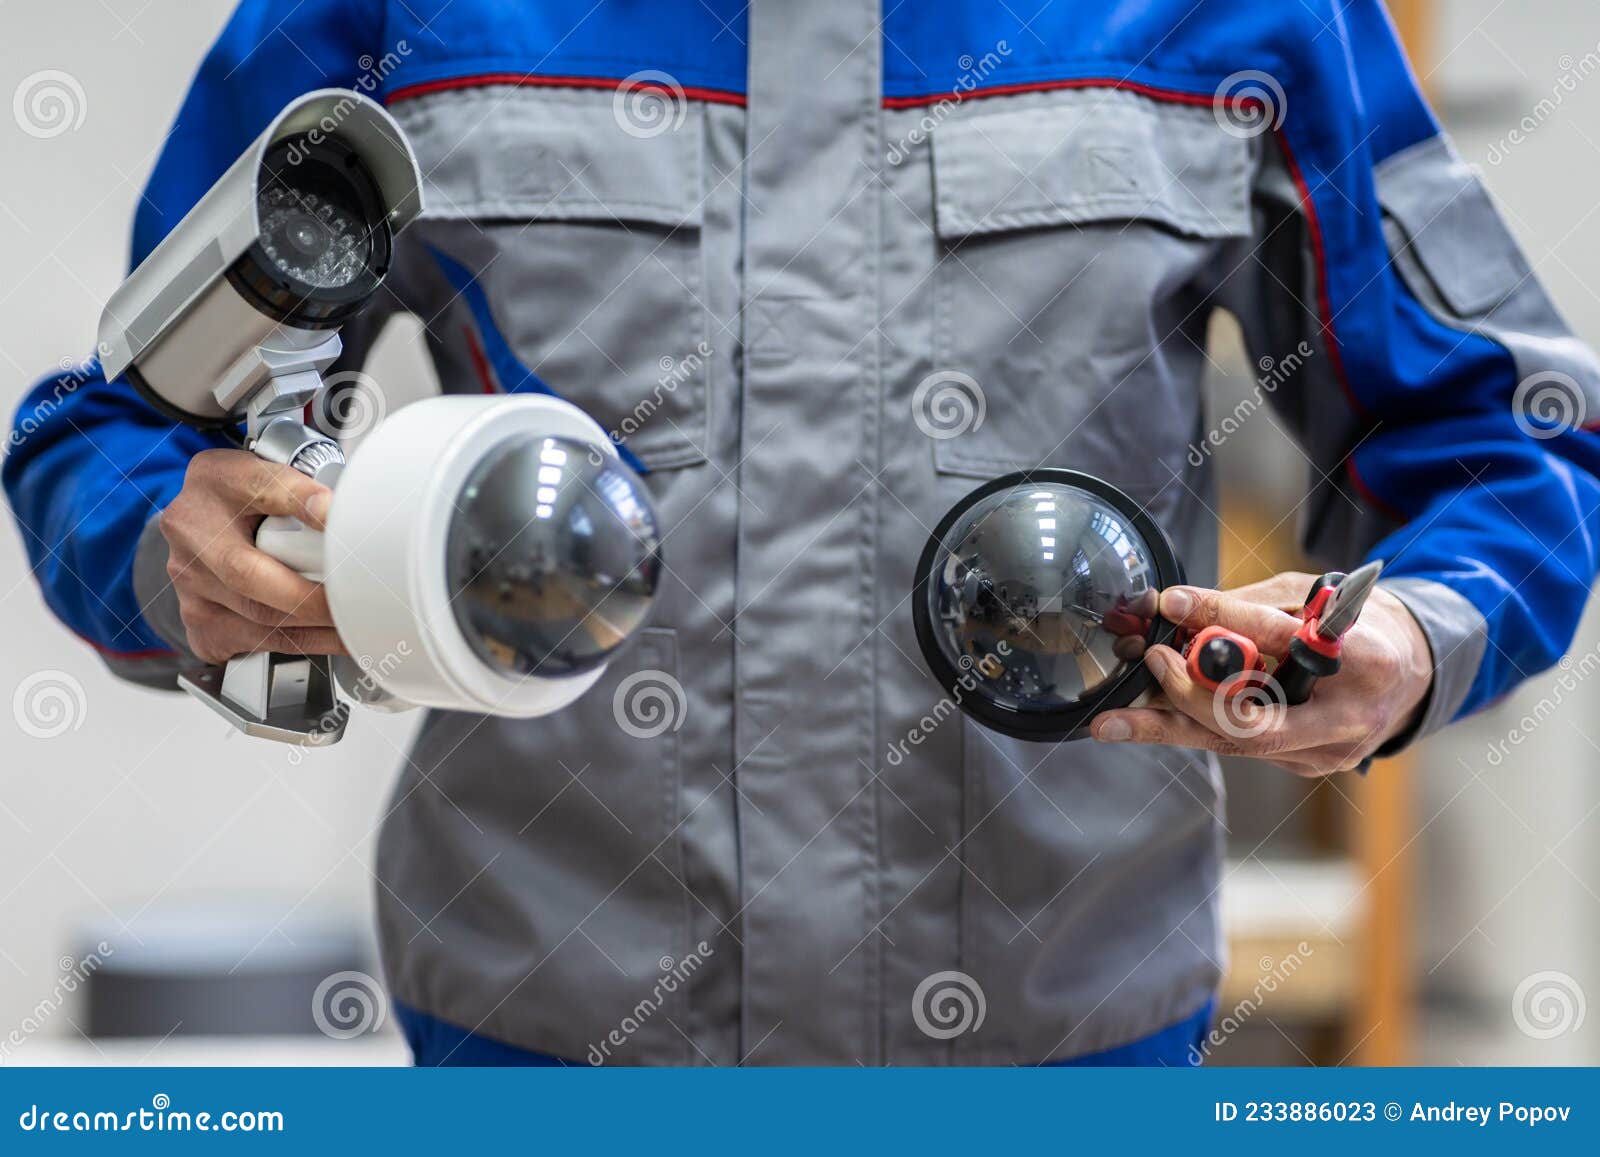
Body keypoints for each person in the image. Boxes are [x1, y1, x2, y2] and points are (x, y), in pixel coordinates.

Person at [7, 0, 1599, 1066]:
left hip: (1069, 1065)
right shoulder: (404, 14)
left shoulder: (1238, 19)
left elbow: (1499, 437)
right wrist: (168, 540)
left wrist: (1411, 634)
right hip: (544, 1054)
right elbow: (116, 430)